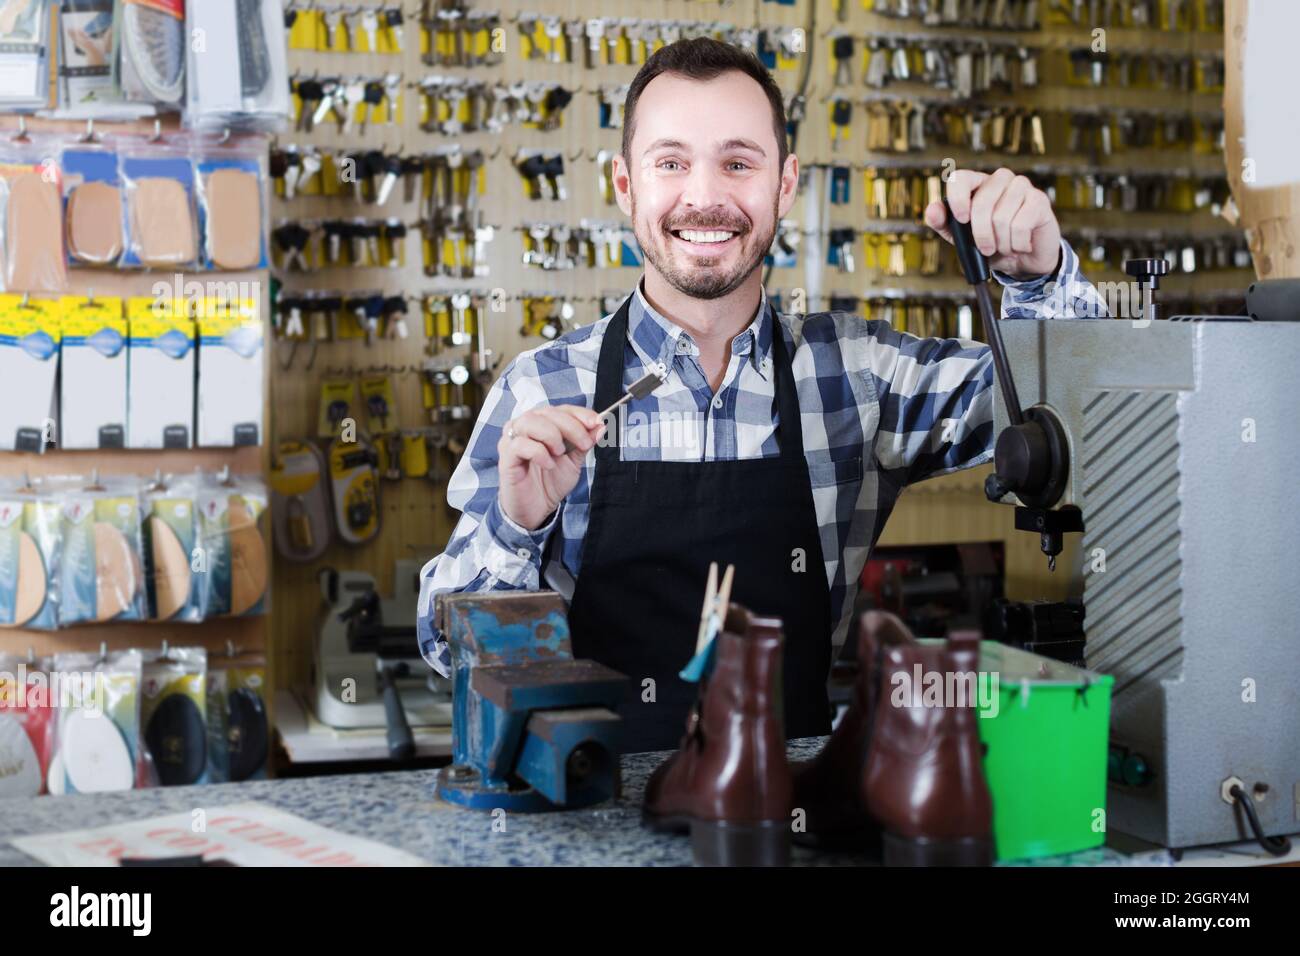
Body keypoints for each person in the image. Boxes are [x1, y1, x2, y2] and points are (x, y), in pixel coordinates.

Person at [417, 37, 1108, 753]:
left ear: (784, 184)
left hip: (789, 822)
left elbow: (1077, 418)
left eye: (739, 162)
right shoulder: (541, 388)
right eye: (672, 162)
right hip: (590, 821)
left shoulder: (862, 376)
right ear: (626, 185)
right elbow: (444, 651)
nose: (706, 197)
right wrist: (516, 523)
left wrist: (1040, 276)